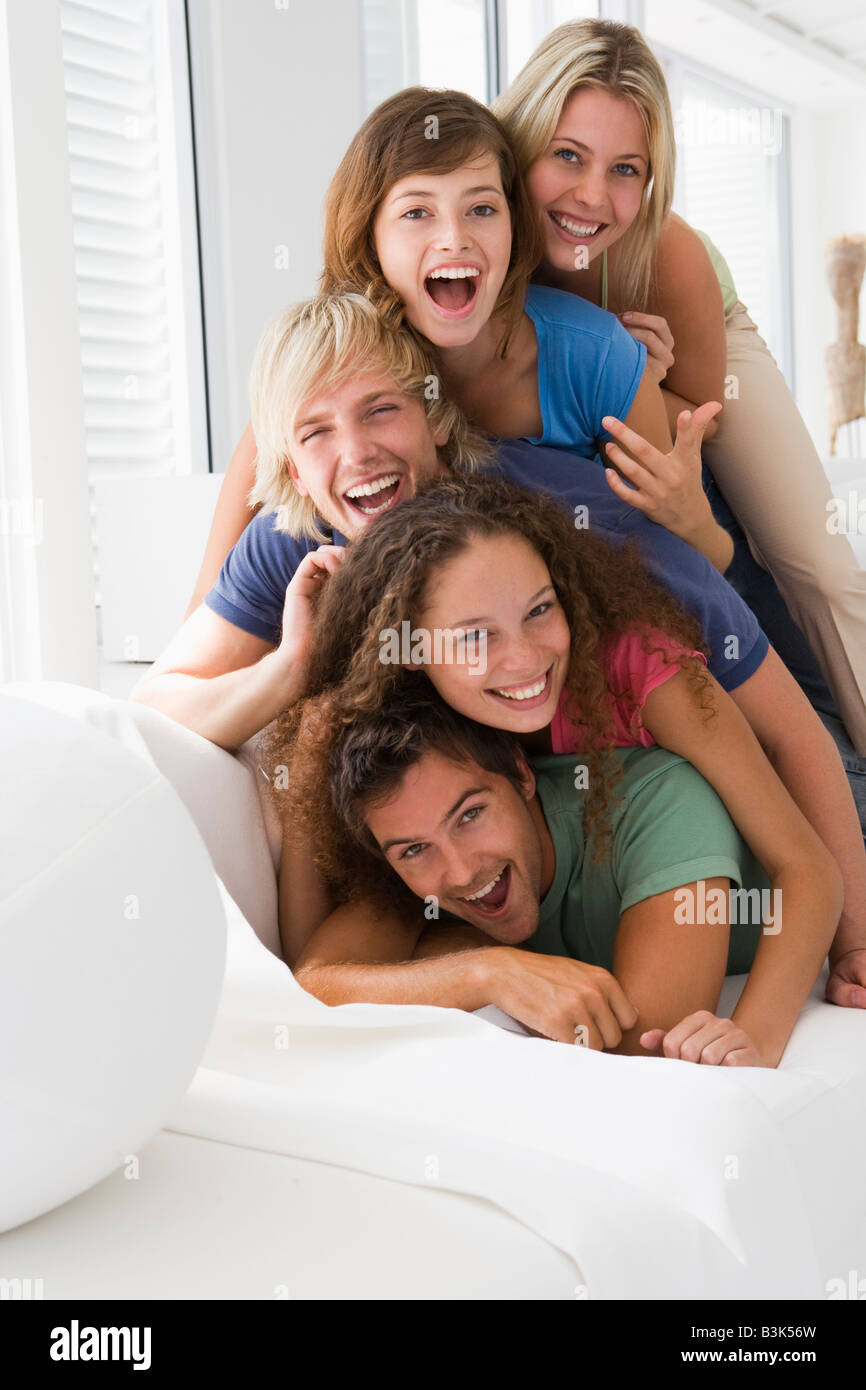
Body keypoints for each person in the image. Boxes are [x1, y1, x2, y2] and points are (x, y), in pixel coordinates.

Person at [129, 291, 866, 1003]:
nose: (355, 453)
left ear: (436, 419)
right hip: (557, 839)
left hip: (773, 765)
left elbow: (792, 735)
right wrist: (288, 669)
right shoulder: (298, 546)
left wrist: (854, 943)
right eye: (315, 432)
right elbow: (156, 709)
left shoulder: (578, 524)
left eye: (381, 409)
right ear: (292, 467)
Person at [269, 471, 842, 1016]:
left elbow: (806, 863)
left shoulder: (644, 675)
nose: (522, 659)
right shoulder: (422, 767)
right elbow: (313, 972)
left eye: (540, 610)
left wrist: (763, 1033)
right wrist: (484, 971)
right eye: (474, 637)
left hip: (828, 807)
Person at [186, 84, 735, 611]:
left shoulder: (599, 358)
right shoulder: (328, 371)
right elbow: (209, 609)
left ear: (514, 227)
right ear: (368, 238)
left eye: (481, 209)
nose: (453, 237)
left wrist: (694, 519)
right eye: (416, 212)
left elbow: (695, 577)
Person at [493, 16, 866, 756]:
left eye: (625, 169)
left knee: (815, 563)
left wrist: (638, 376)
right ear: (522, 141)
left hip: (699, 354)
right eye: (568, 156)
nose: (592, 197)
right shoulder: (479, 225)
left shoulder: (667, 253)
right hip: (623, 379)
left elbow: (700, 421)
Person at [286, 682, 838, 1070]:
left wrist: (434, 959)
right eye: (412, 851)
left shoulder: (660, 804)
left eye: (471, 815)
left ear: (521, 775)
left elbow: (639, 1049)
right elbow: (316, 981)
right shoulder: (424, 864)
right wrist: (487, 970)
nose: (459, 870)